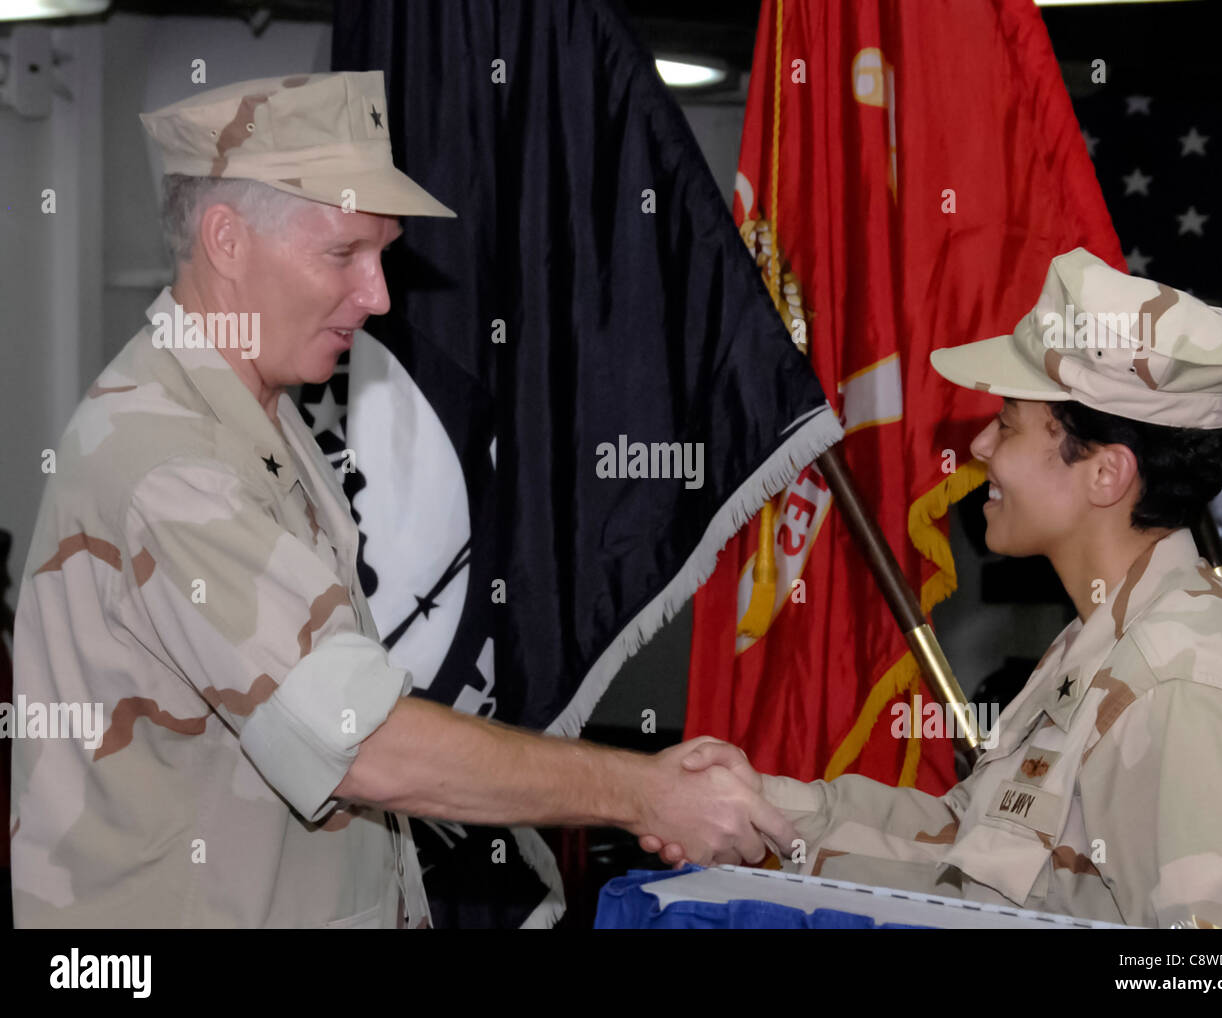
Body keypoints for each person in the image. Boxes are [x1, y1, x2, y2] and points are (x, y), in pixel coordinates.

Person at [9, 71, 792, 929]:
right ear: (227, 241)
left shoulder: (256, 416)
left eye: (381, 253)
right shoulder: (170, 458)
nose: (378, 296)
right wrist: (642, 793)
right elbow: (362, 745)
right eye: (344, 254)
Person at [648, 248, 1222, 929]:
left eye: (1009, 424)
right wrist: (759, 807)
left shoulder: (1183, 686)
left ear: (1106, 474)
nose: (982, 446)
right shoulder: (1107, 638)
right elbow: (962, 846)